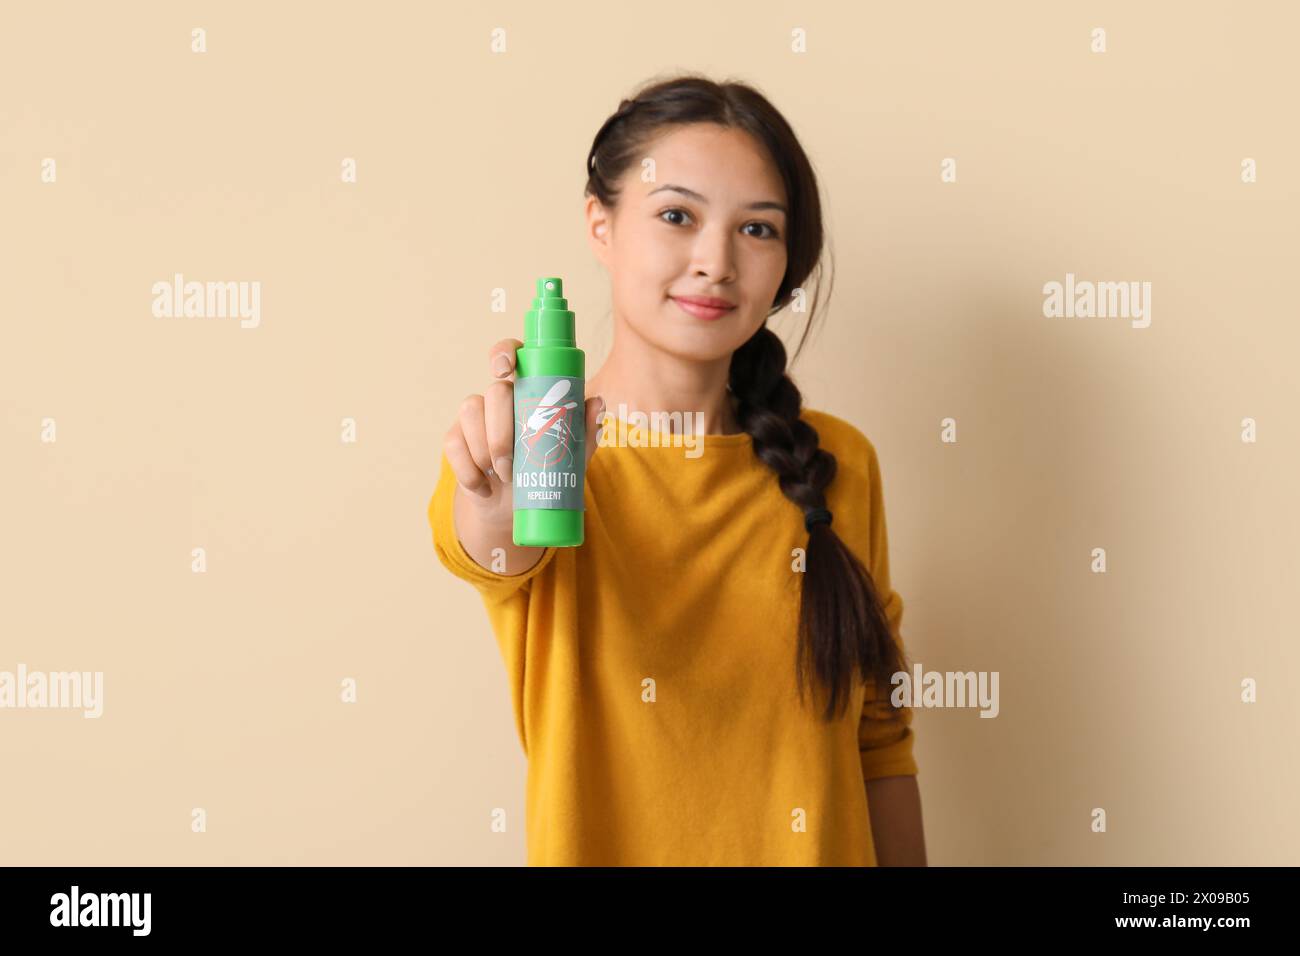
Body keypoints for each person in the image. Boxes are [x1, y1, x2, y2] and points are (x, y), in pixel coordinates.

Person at [429, 73, 927, 866]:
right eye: (676, 216)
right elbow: (490, 543)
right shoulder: (542, 458)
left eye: (758, 230)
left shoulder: (839, 465)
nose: (715, 262)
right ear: (601, 224)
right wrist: (506, 493)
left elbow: (880, 738)